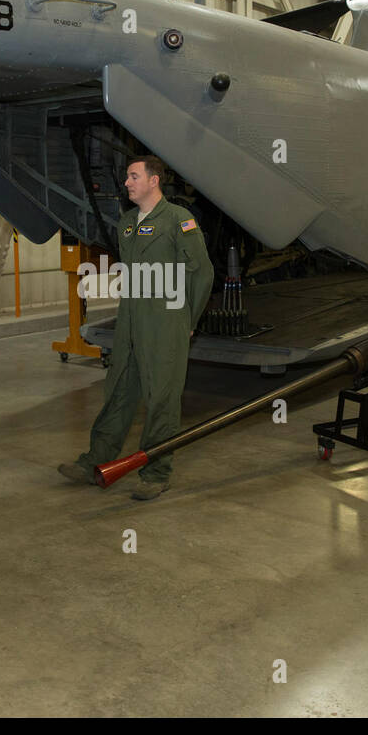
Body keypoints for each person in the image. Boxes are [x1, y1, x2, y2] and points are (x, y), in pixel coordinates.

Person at [58, 155, 214, 500]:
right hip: (130, 316)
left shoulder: (178, 219)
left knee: (161, 397)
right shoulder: (126, 223)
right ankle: (95, 460)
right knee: (118, 389)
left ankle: (156, 472)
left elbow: (202, 272)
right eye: (127, 177)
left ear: (154, 180)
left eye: (133, 176)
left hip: (165, 317)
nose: (126, 183)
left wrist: (189, 319)